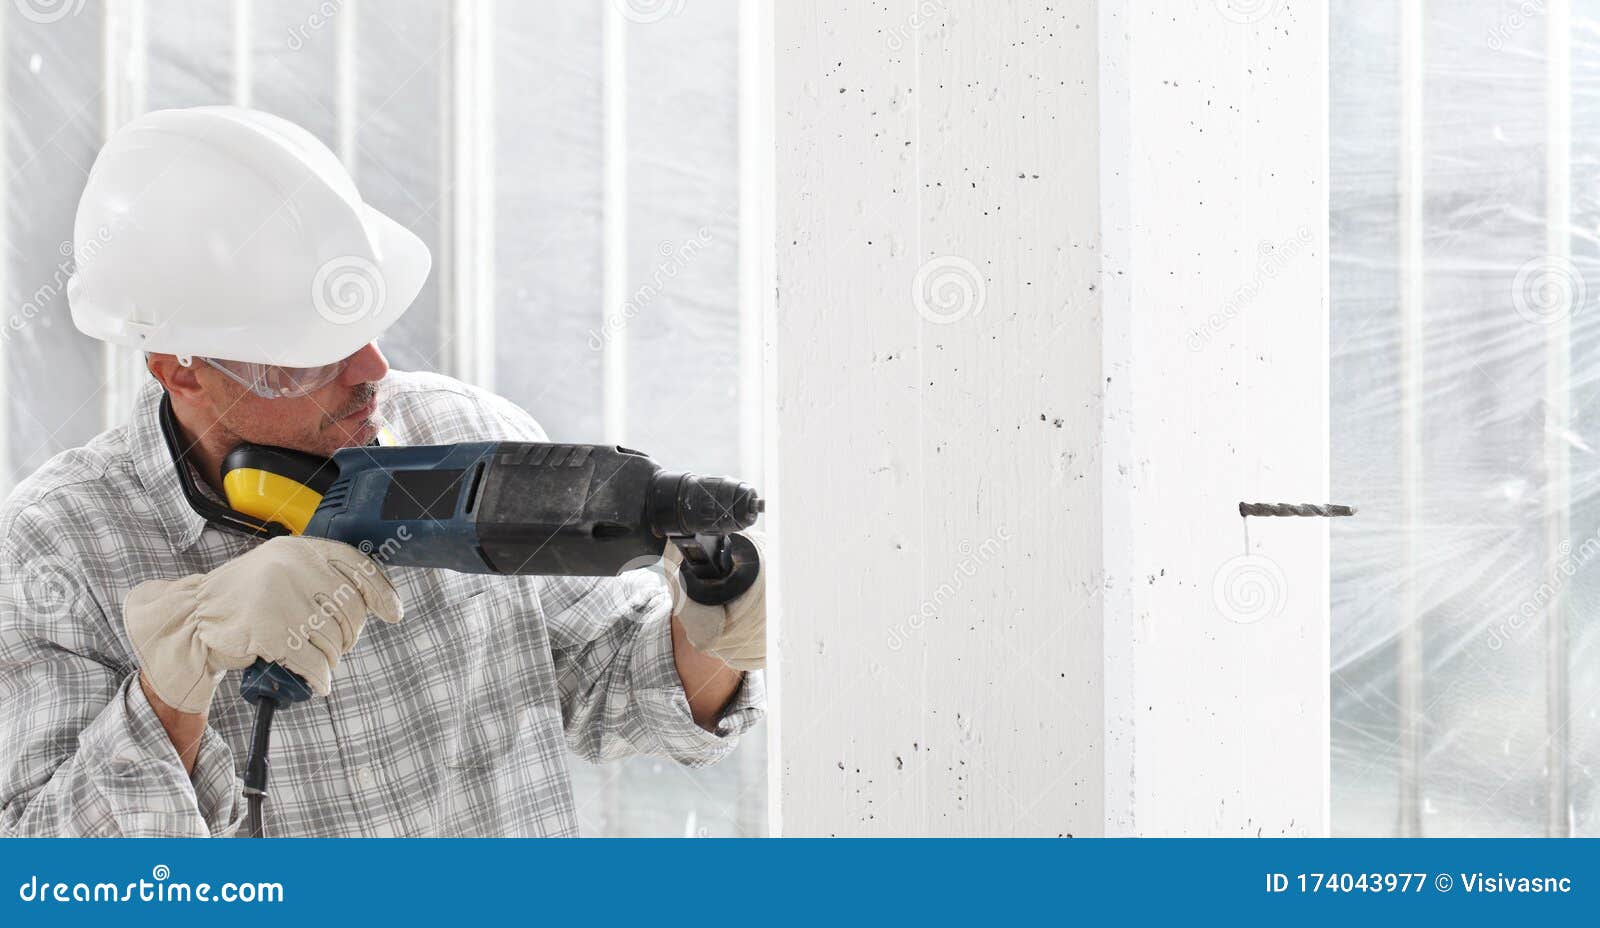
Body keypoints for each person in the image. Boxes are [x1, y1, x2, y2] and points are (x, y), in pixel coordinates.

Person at [0, 106, 766, 837]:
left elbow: (620, 690)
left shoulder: (463, 432)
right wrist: (175, 682)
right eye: (313, 349)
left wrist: (713, 612)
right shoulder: (56, 548)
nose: (373, 367)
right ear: (181, 371)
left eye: (362, 324)